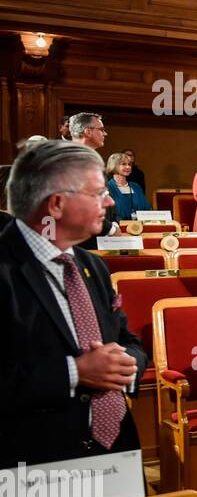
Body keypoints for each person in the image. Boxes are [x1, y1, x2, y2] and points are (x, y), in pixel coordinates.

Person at [0, 141, 148, 469]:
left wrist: (126, 364)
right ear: (56, 203)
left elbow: (128, 341)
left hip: (116, 451)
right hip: (35, 465)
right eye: (97, 193)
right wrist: (75, 372)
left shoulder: (91, 265)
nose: (109, 201)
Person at [70, 113, 117, 247]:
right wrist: (109, 228)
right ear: (88, 132)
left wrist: (113, 222)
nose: (105, 134)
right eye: (101, 130)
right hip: (82, 240)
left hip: (98, 236)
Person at [105, 152, 151, 220]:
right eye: (123, 164)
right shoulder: (107, 188)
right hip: (118, 227)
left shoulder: (136, 187)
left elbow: (147, 209)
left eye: (129, 164)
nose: (128, 167)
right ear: (113, 165)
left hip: (139, 227)